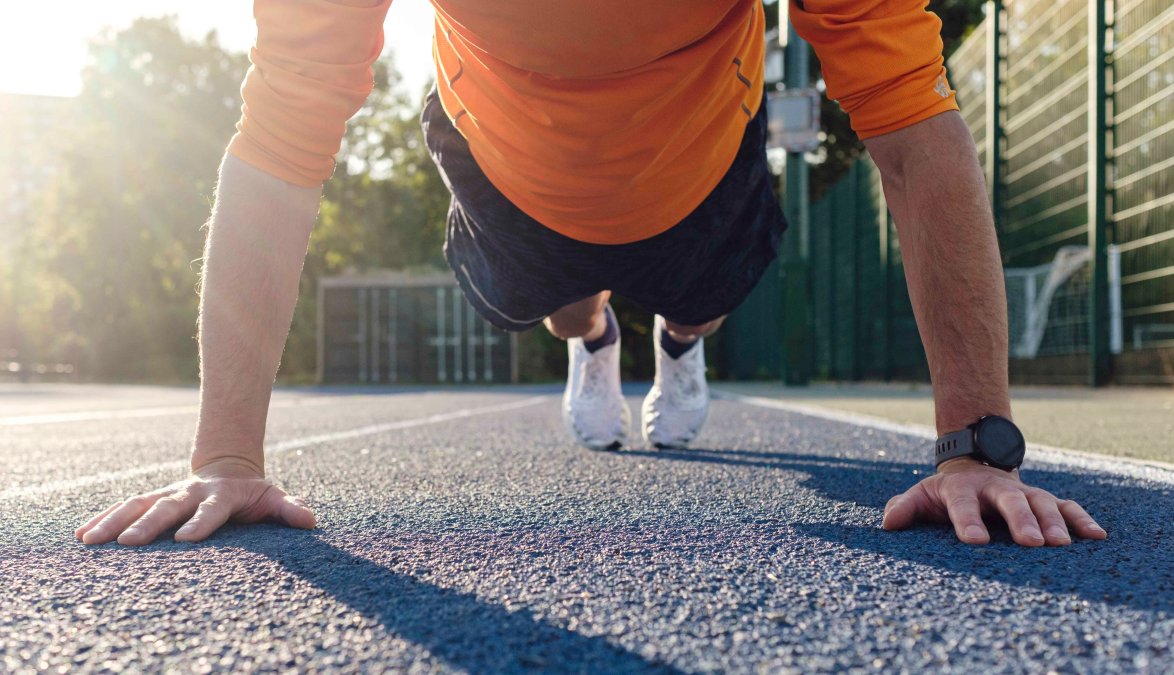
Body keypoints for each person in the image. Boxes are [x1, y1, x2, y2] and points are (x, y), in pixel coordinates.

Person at [75, 0, 1107, 549]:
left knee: (700, 304)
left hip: (698, 152)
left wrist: (979, 448)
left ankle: (674, 348)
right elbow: (281, 137)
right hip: (510, 161)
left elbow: (912, 125)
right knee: (565, 311)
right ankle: (602, 341)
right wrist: (225, 456)